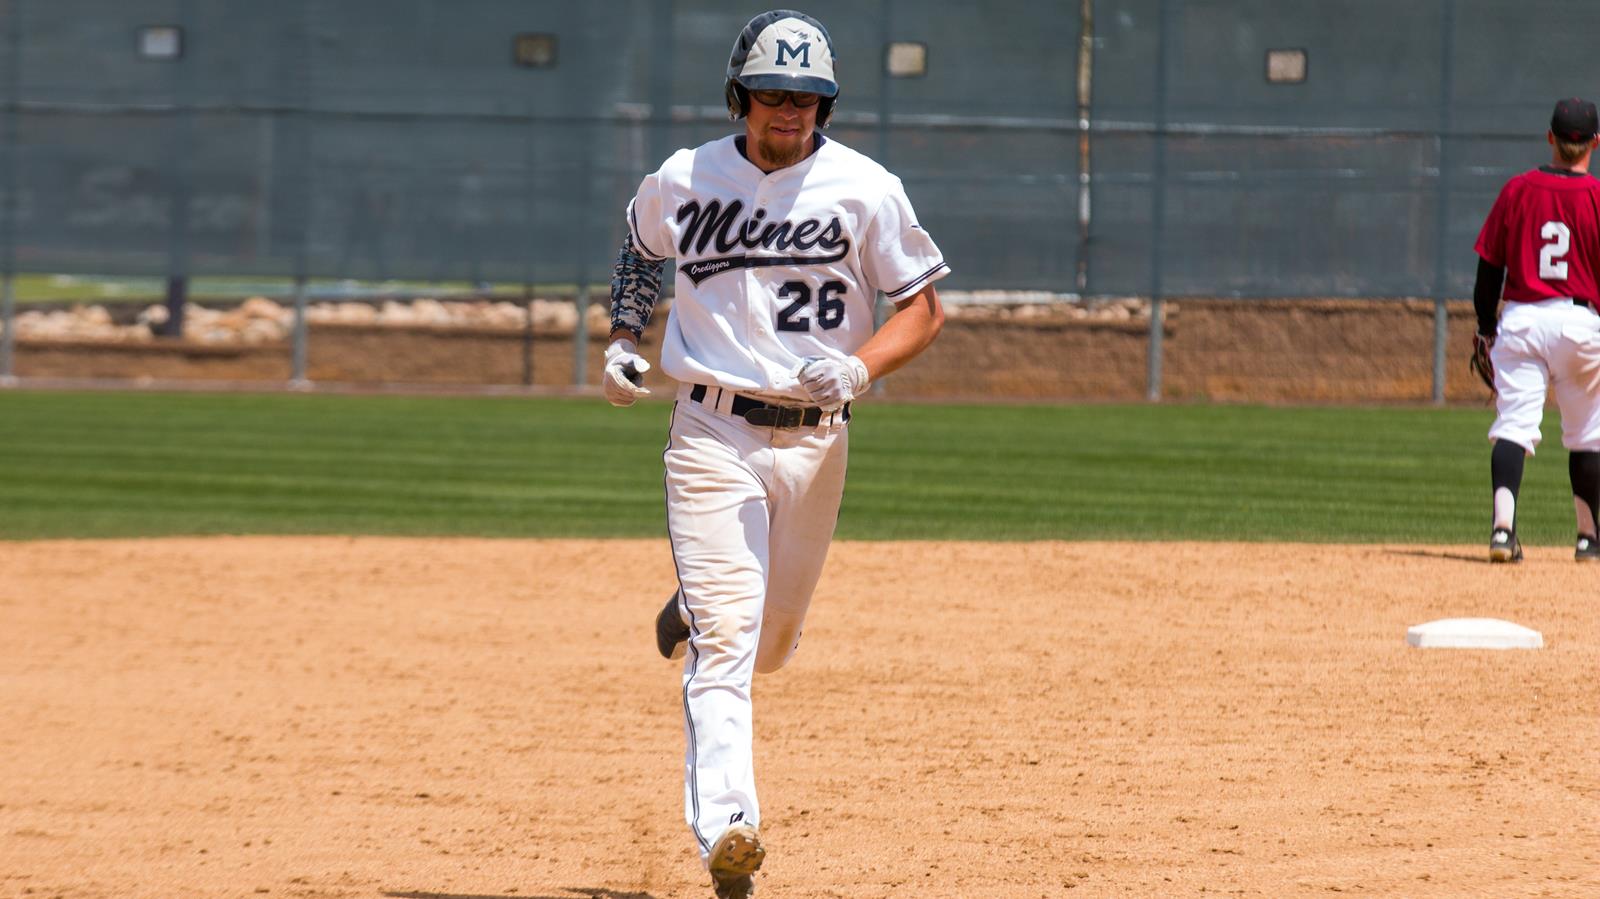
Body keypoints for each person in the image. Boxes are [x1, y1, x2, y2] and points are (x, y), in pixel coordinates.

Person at [601, 10, 947, 897]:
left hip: (816, 440)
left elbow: (923, 307)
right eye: (773, 94)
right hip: (711, 430)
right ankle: (730, 828)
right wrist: (623, 338)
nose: (790, 110)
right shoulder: (685, 177)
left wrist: (860, 369)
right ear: (740, 95)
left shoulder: (865, 187)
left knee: (773, 643)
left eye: (808, 96)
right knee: (729, 644)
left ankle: (698, 598)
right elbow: (642, 248)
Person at [1471, 97, 1600, 563]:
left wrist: (1487, 327)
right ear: (1594, 144)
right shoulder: (1597, 198)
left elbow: (1488, 269)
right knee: (1588, 433)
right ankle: (1588, 538)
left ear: (1551, 137)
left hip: (1522, 320)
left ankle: (1503, 531)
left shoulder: (1518, 189)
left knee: (1514, 426)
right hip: (1579, 323)